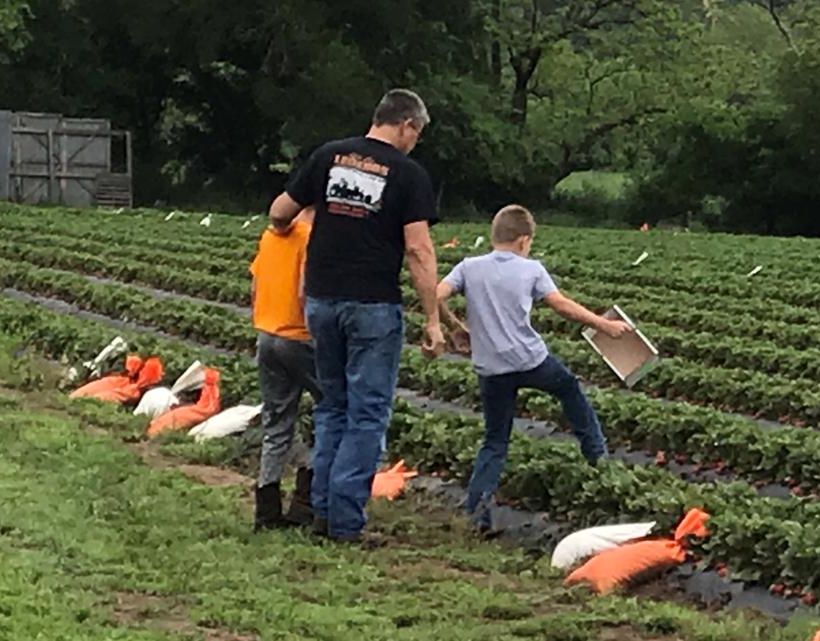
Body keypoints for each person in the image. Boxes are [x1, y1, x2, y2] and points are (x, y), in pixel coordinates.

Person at [268, 89, 445, 545]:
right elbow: (419, 250)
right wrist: (433, 320)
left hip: (321, 302)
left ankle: (323, 512)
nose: (414, 143)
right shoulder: (407, 174)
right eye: (416, 134)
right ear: (406, 125)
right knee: (367, 414)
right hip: (371, 305)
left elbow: (279, 212)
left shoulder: (328, 157)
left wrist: (287, 234)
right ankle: (346, 523)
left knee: (332, 406)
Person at [436, 204, 632, 532]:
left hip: (491, 368)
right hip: (529, 360)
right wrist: (603, 325)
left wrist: (454, 326)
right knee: (569, 388)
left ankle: (477, 518)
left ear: (494, 234)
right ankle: (599, 459)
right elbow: (561, 305)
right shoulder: (531, 269)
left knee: (495, 440)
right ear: (524, 240)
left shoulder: (469, 267)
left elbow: (435, 294)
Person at [250, 206, 321, 530]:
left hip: (266, 333)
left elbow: (255, 287)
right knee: (330, 409)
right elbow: (307, 291)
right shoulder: (312, 238)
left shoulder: (271, 236)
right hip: (300, 337)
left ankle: (267, 509)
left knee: (276, 421)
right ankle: (305, 502)